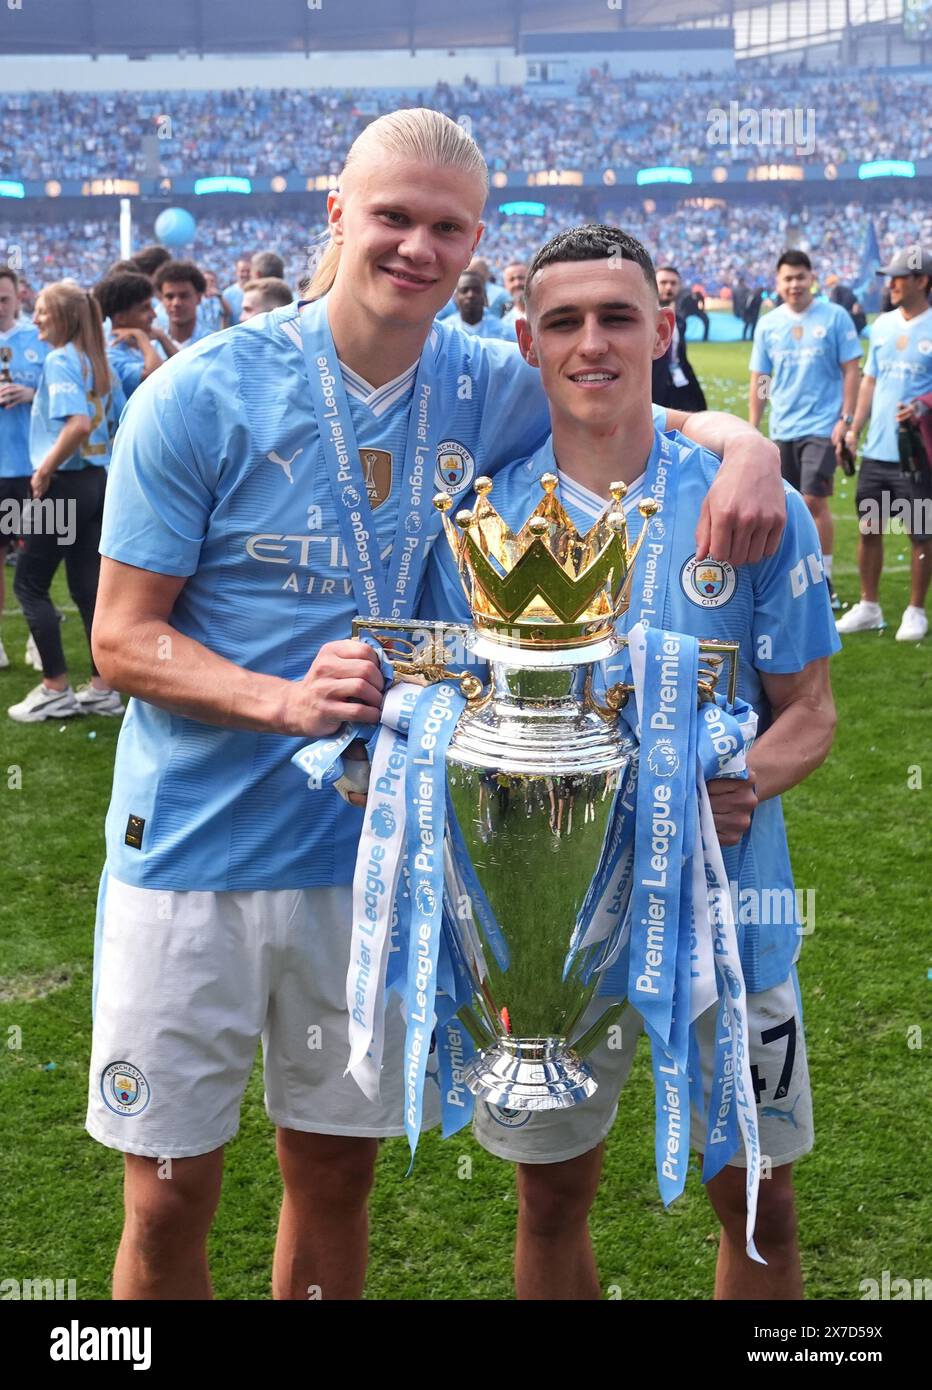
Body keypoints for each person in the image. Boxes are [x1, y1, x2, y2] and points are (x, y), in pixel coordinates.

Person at [86, 108, 784, 1302]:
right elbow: (120, 638)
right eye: (392, 216)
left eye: (446, 227)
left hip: (371, 855)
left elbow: (625, 409)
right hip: (190, 853)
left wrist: (746, 447)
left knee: (333, 1178)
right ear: (335, 213)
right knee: (164, 1197)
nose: (416, 245)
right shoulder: (200, 395)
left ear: (473, 245)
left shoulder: (487, 385)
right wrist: (278, 699)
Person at [423, 224, 839, 1301]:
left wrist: (734, 788)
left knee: (759, 1208)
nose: (591, 342)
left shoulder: (754, 505)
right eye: (563, 321)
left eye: (618, 316)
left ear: (664, 327)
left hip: (731, 922)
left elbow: (807, 712)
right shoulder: (478, 523)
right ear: (526, 338)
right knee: (550, 1202)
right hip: (550, 933)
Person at [8, 281, 125, 723]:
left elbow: (77, 423)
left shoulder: (61, 359)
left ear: (64, 317)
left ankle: (54, 688)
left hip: (64, 484)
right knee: (85, 587)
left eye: (41, 311)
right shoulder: (98, 361)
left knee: (29, 584)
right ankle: (103, 688)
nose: (34, 318)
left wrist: (42, 470)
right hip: (96, 482)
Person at [749, 250, 862, 611]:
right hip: (784, 426)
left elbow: (850, 369)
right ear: (778, 283)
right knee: (786, 505)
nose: (794, 284)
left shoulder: (835, 317)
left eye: (800, 277)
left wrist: (845, 419)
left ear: (811, 277)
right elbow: (763, 377)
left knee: (813, 500)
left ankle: (823, 579)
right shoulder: (769, 324)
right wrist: (754, 423)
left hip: (822, 426)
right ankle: (792, 577)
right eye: (787, 278)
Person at [837, 246, 932, 641]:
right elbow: (870, 381)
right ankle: (870, 606)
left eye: (898, 277)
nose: (890, 283)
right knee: (869, 527)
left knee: (921, 532)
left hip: (916, 453)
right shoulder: (882, 326)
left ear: (922, 281)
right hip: (878, 449)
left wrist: (923, 407)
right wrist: (853, 428)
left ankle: (915, 610)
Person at [0, 266, 48, 670]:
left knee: (39, 558)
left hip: (36, 469)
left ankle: (38, 638)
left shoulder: (39, 340)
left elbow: (61, 395)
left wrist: (32, 393)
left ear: (19, 297)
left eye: (4, 299)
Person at [93, 270, 177, 399]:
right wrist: (142, 337)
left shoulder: (139, 348)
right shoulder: (112, 355)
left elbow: (183, 369)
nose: (153, 315)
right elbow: (158, 380)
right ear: (121, 318)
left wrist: (162, 337)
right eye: (144, 308)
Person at [653, 265, 707, 414]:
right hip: (653, 387)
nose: (668, 287)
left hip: (679, 383)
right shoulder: (640, 319)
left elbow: (679, 355)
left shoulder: (680, 321)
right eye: (663, 282)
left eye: (673, 283)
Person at [151, 260, 213, 350]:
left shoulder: (213, 344)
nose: (176, 303)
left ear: (198, 298)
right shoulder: (153, 348)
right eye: (169, 297)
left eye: (184, 296)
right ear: (161, 300)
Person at [448, 269, 512, 339]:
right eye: (464, 290)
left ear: (485, 295)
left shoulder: (504, 332)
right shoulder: (447, 331)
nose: (471, 295)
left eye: (476, 290)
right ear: (455, 297)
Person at [222, 255, 253, 327]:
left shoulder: (258, 291)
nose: (245, 274)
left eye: (248, 271)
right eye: (242, 271)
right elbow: (224, 319)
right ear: (236, 272)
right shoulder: (227, 294)